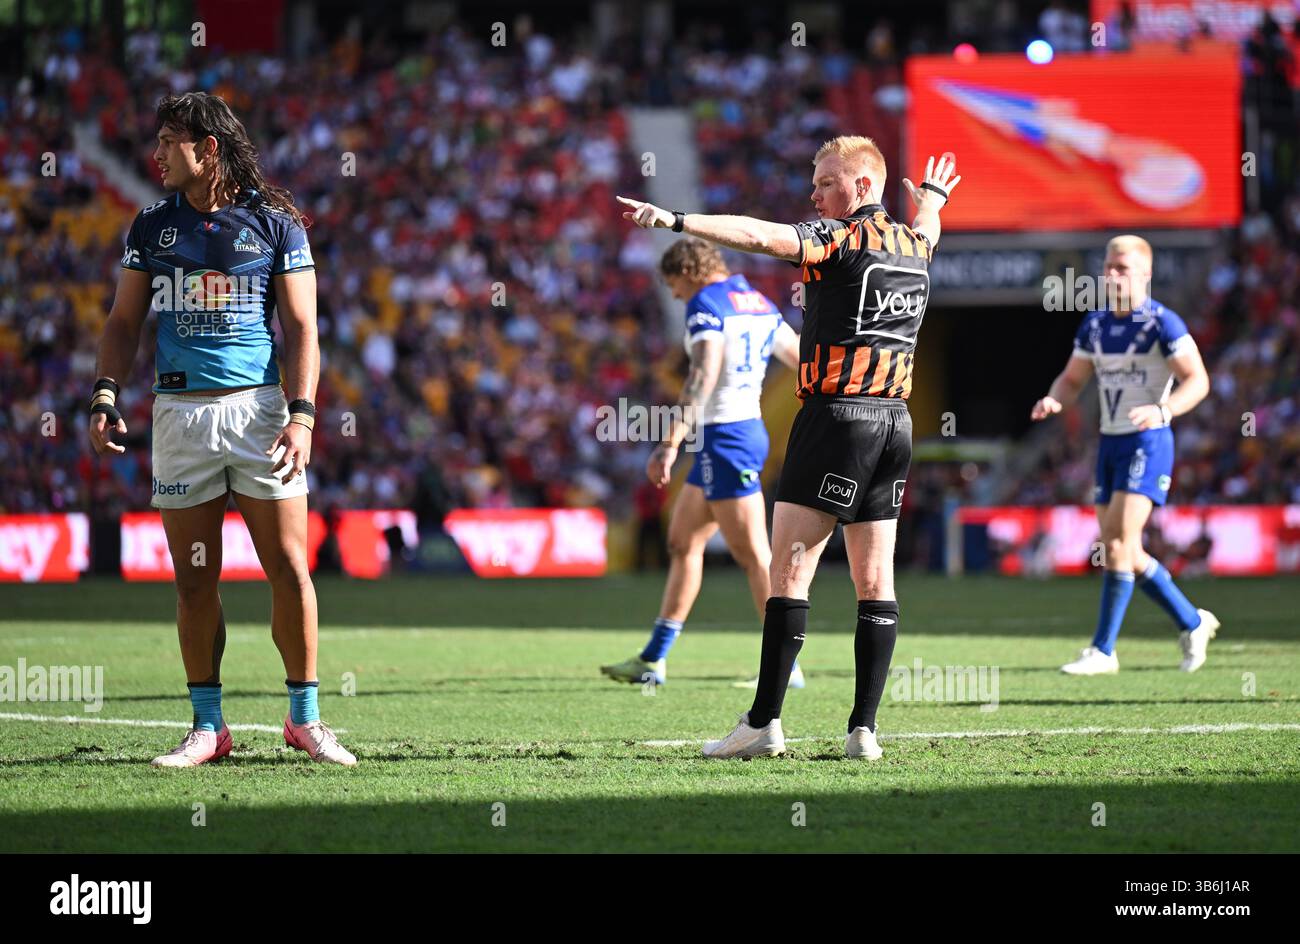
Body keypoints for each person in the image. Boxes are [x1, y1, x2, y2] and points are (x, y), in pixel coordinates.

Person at [618, 136, 959, 759]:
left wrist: (676, 220)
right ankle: (864, 731)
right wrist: (933, 199)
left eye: (826, 182)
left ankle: (763, 723)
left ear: (860, 188)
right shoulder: (915, 244)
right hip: (895, 426)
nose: (814, 193)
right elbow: (930, 226)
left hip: (835, 419)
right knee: (874, 579)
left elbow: (760, 235)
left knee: (789, 574)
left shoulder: (839, 239)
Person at [89, 92, 355, 767]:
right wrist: (105, 392)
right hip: (180, 417)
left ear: (207, 148)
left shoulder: (276, 226)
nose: (154, 155)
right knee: (193, 582)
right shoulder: (151, 227)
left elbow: (302, 329)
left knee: (290, 570)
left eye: (168, 142)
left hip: (262, 415)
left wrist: (303, 414)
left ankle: (305, 719)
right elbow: (123, 323)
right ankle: (209, 727)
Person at [600, 239, 803, 687]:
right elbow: (800, 359)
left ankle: (785, 666)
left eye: (673, 285)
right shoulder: (758, 302)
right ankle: (654, 658)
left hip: (728, 437)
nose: (674, 295)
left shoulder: (705, 304)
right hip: (732, 436)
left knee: (754, 557)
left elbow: (702, 374)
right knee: (682, 542)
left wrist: (669, 442)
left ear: (688, 272)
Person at [1032, 235, 1218, 676]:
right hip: (1110, 443)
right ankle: (1192, 622)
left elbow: (1198, 380)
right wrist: (1055, 399)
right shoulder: (1095, 326)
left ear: (1146, 274)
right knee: (1125, 550)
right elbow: (1072, 379)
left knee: (1116, 543)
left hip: (1148, 442)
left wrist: (1163, 409)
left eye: (1123, 268)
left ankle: (1103, 650)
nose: (1113, 275)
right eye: (1109, 267)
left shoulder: (1163, 323)